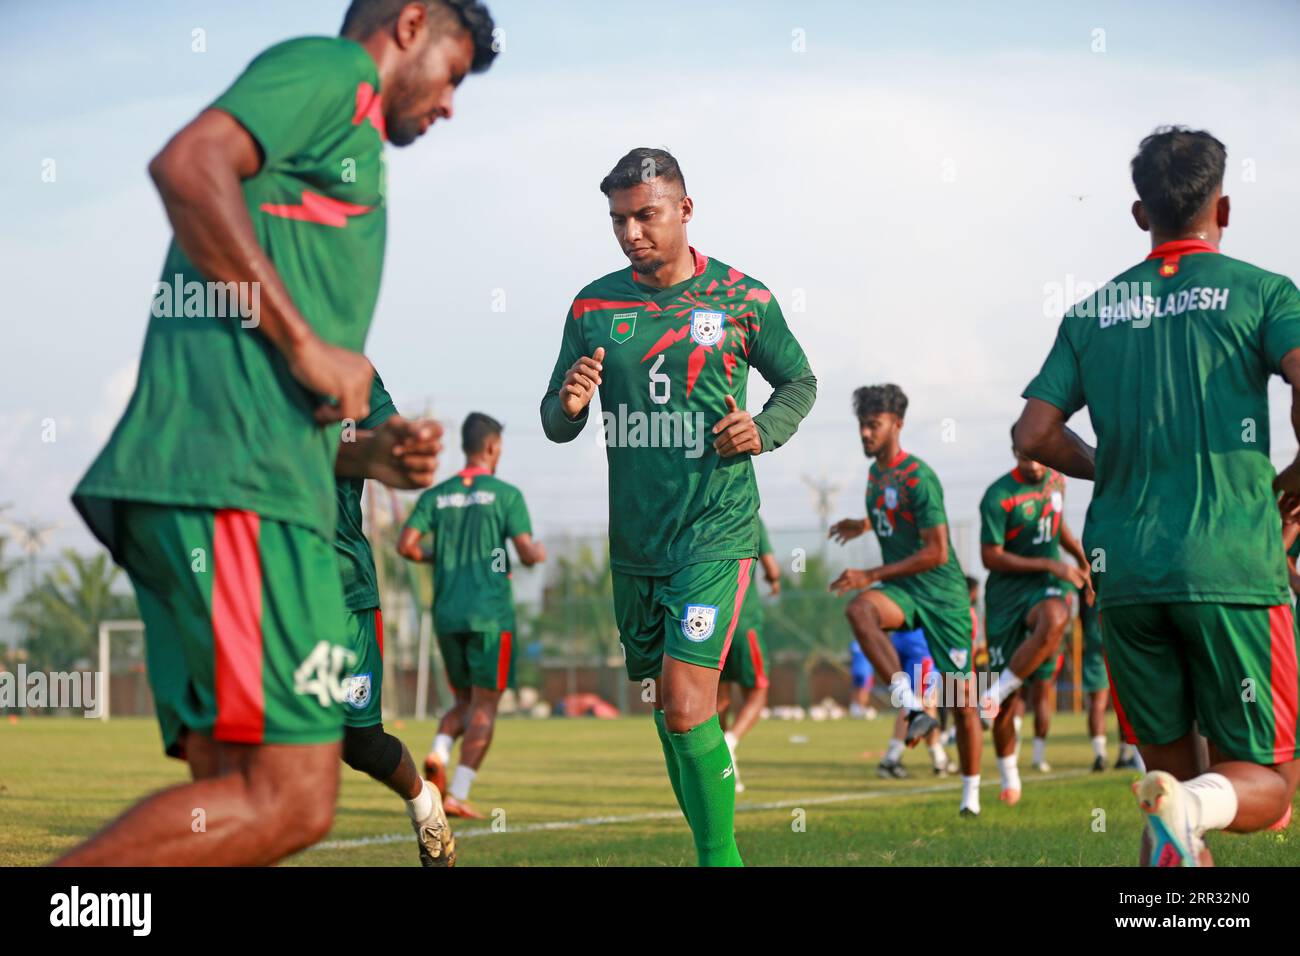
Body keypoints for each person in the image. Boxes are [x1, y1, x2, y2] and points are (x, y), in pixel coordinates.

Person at [60, 0, 497, 866]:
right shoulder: (337, 76)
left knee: (227, 801)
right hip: (235, 481)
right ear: (409, 24)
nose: (450, 104)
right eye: (453, 74)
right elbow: (188, 165)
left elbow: (319, 392)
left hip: (251, 483)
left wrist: (372, 451)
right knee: (292, 799)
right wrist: (305, 346)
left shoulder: (349, 149)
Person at [1016, 126, 1300, 865]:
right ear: (1223, 208)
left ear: (1141, 214)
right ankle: (1198, 806)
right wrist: (1293, 484)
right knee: (1269, 782)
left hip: (1127, 570)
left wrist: (1113, 466)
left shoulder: (1092, 313)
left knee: (1165, 779)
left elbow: (1033, 434)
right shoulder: (1264, 292)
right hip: (1231, 566)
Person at [540, 147, 817, 865]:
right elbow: (555, 417)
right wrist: (569, 402)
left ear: (684, 211)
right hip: (636, 543)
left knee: (693, 704)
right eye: (618, 220)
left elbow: (799, 381)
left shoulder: (743, 300)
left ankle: (720, 860)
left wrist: (765, 428)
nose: (632, 232)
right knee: (668, 709)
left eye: (646, 215)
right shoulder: (592, 307)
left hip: (715, 529)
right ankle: (709, 846)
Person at [830, 384, 982, 816]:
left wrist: (871, 573)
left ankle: (970, 795)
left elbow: (936, 550)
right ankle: (912, 706)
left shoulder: (919, 476)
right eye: (861, 424)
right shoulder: (876, 476)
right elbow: (893, 517)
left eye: (873, 425)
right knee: (859, 609)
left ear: (897, 425)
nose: (864, 433)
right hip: (905, 594)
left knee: (961, 700)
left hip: (944, 598)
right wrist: (863, 525)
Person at [398, 413, 545, 819]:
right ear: (493, 447)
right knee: (484, 707)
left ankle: (438, 752)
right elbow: (528, 552)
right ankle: (457, 793)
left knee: (462, 701)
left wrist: (440, 558)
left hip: (447, 615)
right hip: (490, 618)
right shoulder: (505, 495)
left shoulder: (435, 497)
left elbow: (406, 546)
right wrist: (536, 554)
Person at [717, 516, 780, 794]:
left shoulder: (700, 510)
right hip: (743, 622)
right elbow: (772, 567)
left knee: (718, 698)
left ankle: (719, 766)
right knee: (757, 694)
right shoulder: (748, 514)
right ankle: (730, 743)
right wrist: (774, 580)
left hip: (711, 622)